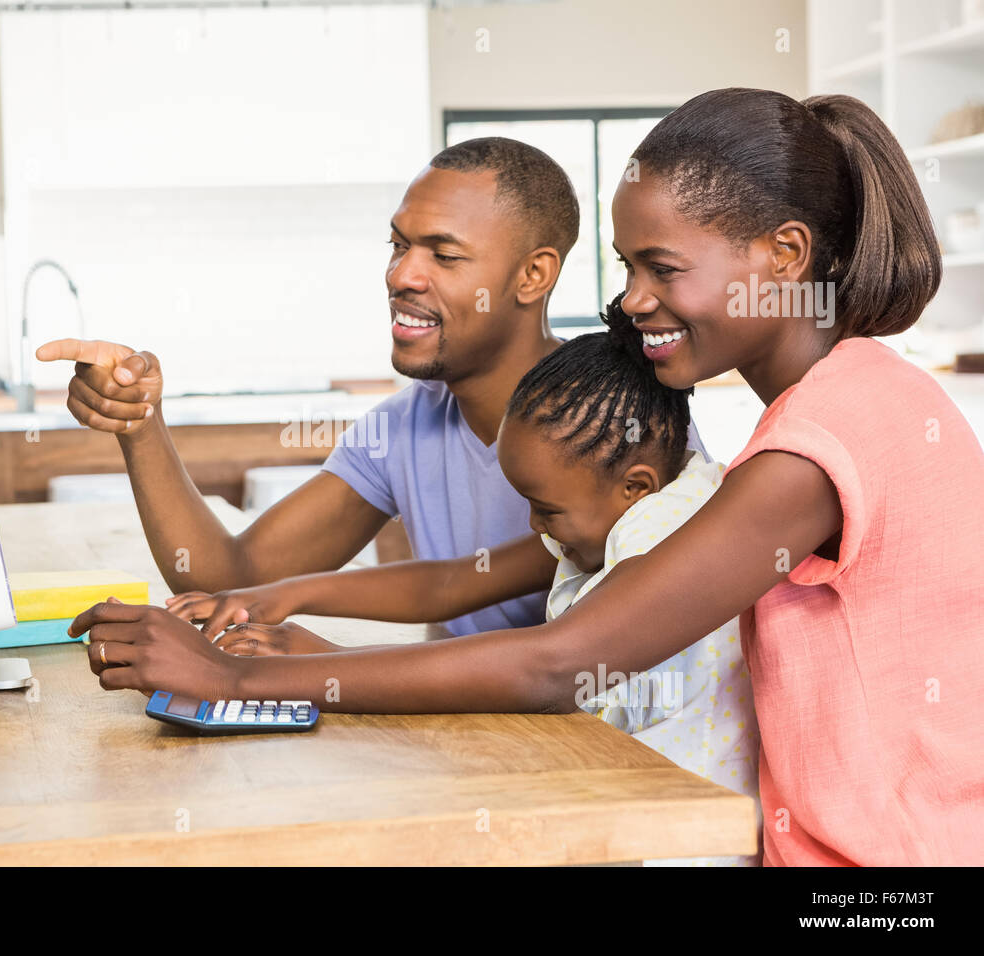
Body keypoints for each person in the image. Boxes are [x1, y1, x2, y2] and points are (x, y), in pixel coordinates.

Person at [71, 88, 984, 866]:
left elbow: (563, 663)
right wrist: (284, 642)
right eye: (629, 266)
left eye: (662, 267)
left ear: (782, 259)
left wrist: (232, 677)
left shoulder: (826, 436)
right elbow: (516, 582)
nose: (630, 299)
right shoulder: (823, 413)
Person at [170, 304, 763, 866]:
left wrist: (326, 664)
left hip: (674, 844)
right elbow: (452, 583)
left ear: (635, 486)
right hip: (616, 810)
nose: (535, 526)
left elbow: (545, 677)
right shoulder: (630, 503)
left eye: (545, 509)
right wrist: (287, 593)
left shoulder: (661, 532)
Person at [38, 137, 705, 637]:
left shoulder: (621, 420)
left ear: (532, 277)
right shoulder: (402, 429)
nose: (401, 275)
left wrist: (313, 657)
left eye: (443, 255)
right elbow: (229, 578)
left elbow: (576, 661)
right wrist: (140, 423)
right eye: (397, 245)